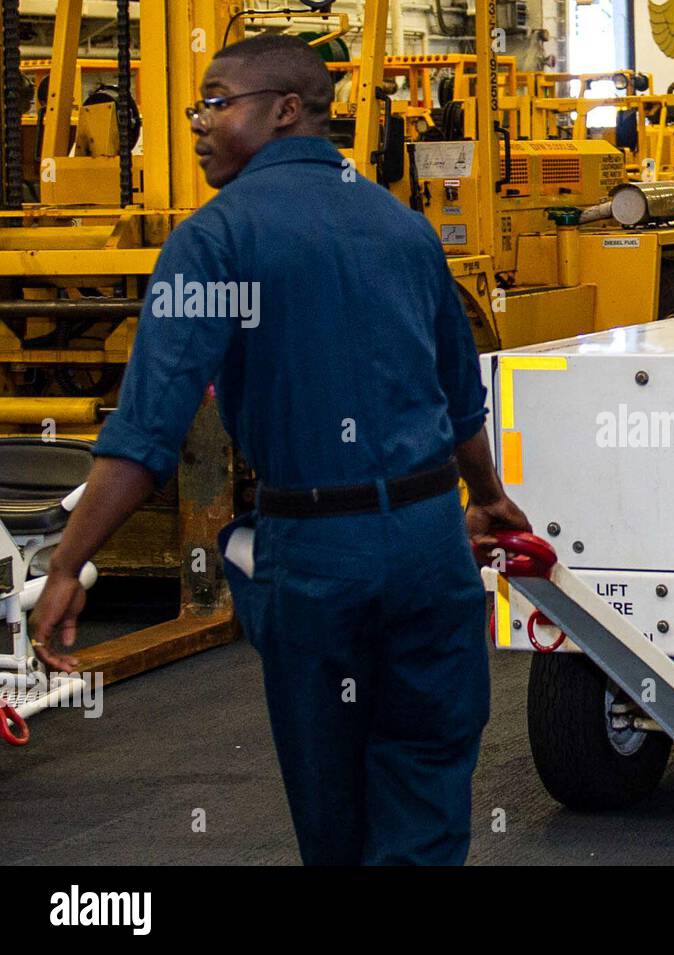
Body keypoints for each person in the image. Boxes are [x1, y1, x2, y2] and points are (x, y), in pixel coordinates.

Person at [28, 34, 530, 865]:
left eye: (215, 102)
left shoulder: (215, 240)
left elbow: (147, 434)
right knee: (429, 788)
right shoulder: (405, 229)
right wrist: (485, 497)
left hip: (319, 553)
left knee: (333, 803)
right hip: (429, 544)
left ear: (286, 109)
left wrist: (65, 568)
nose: (196, 124)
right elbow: (458, 396)